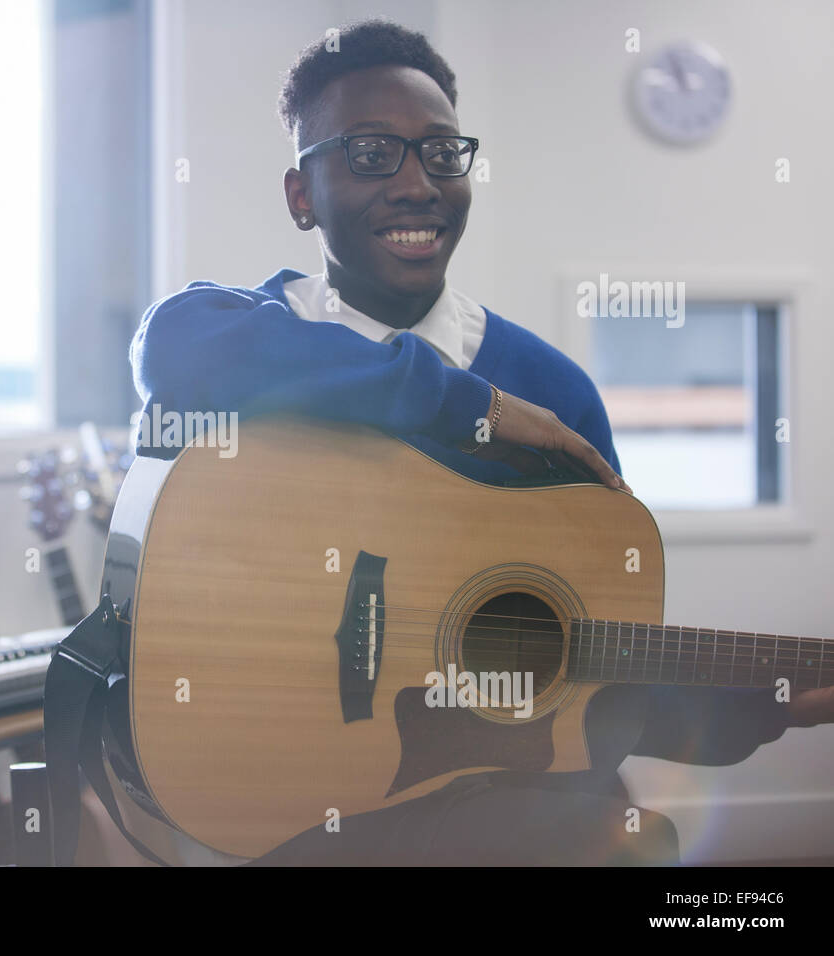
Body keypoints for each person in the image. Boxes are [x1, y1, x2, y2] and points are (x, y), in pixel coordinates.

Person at [127, 19, 829, 864]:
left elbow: (580, 683)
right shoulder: (235, 336)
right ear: (301, 194)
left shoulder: (556, 391)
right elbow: (173, 346)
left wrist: (762, 706)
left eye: (441, 153)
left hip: (489, 797)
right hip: (284, 802)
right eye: (372, 153)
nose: (418, 183)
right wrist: (470, 408)